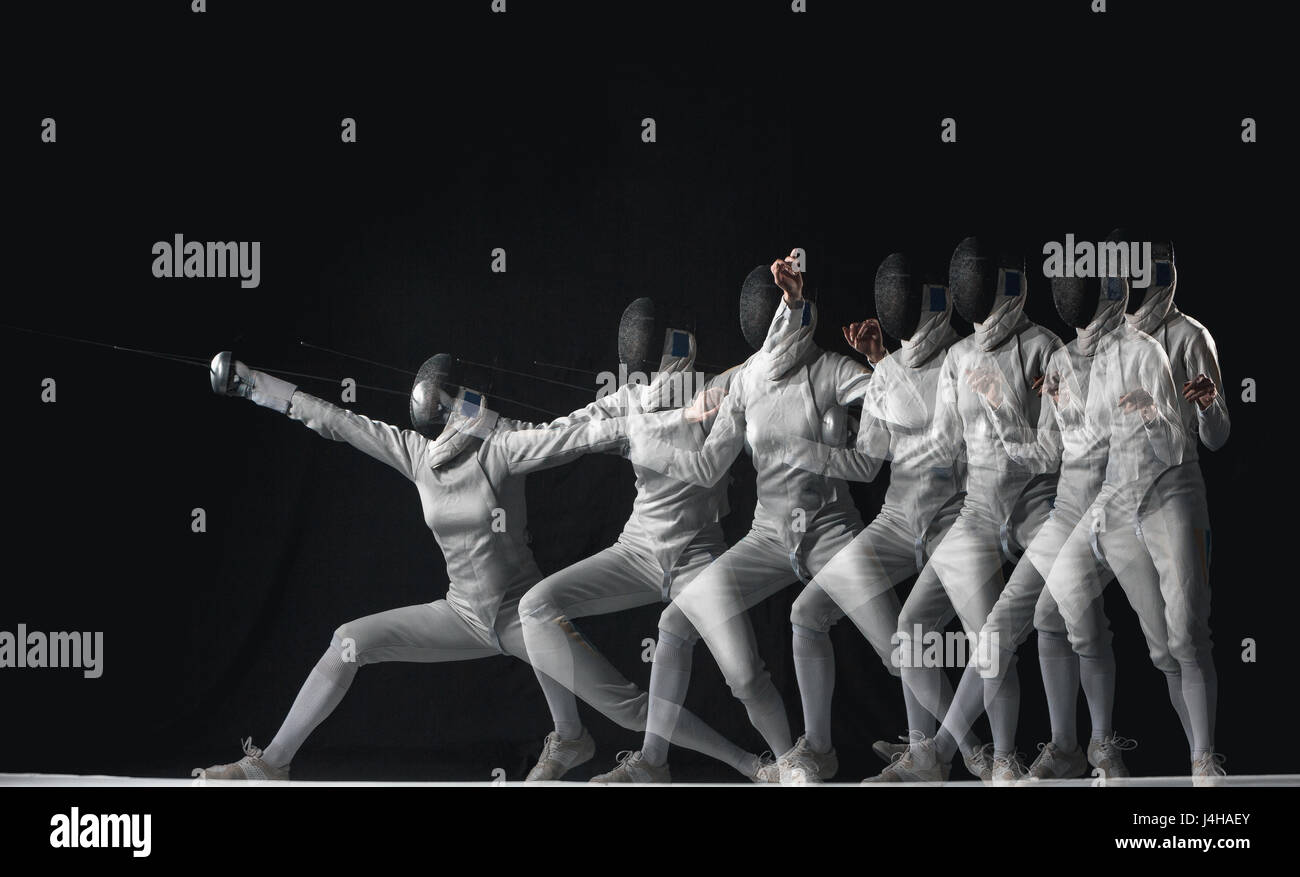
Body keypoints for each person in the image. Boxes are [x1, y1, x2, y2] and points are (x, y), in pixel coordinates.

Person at [196, 350, 651, 781]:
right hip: (462, 616)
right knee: (349, 642)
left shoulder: (505, 445)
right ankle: (271, 765)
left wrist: (643, 408)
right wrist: (254, 384)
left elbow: (576, 431)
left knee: (630, 710)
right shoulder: (417, 455)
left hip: (524, 617)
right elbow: (338, 420)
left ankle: (598, 743)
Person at [613, 249, 881, 784]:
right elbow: (709, 463)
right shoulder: (745, 380)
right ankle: (655, 762)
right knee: (674, 622)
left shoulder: (826, 369)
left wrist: (873, 357)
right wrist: (648, 445)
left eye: (777, 311)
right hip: (768, 538)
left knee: (898, 646)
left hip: (830, 531)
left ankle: (956, 749)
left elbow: (892, 400)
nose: (768, 326)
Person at [515, 298, 771, 783]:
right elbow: (561, 433)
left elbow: (765, 359)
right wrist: (503, 438)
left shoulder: (718, 391)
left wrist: (789, 304)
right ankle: (573, 736)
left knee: (746, 676)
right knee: (535, 607)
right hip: (636, 553)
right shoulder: (630, 402)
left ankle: (759, 760)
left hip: (700, 559)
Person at [865, 238, 1064, 783]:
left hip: (1034, 508)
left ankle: (1002, 759)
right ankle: (926, 750)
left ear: (1003, 284)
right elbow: (943, 443)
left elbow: (1054, 452)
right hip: (977, 513)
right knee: (911, 628)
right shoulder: (957, 356)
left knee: (994, 637)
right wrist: (887, 375)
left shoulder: (1044, 347)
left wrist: (1002, 404)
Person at [776, 252, 974, 782]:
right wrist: (808, 451)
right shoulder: (889, 364)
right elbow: (868, 463)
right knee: (807, 613)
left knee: (910, 641)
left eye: (903, 300)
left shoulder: (964, 357)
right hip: (895, 522)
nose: (893, 310)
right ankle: (850, 748)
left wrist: (884, 366)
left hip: (954, 524)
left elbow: (941, 431)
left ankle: (958, 753)